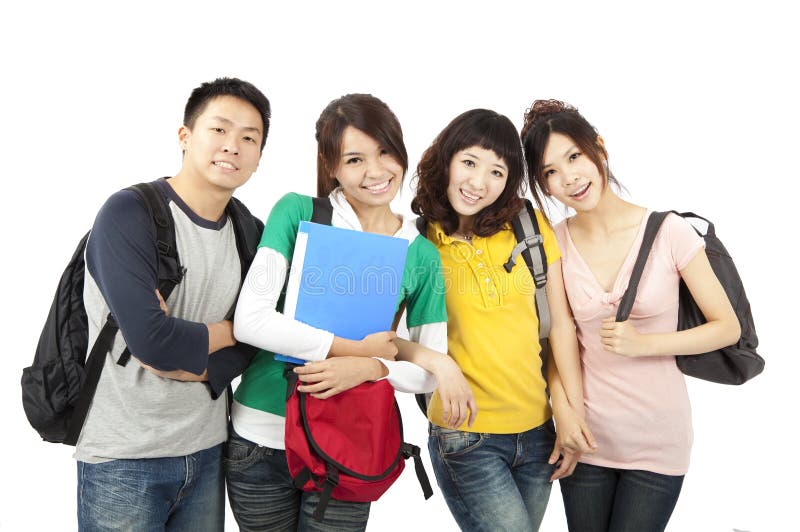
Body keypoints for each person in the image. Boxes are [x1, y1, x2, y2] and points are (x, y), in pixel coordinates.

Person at [227, 93, 474, 532]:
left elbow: (427, 372)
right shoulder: (300, 213)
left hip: (348, 442)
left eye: (384, 152)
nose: (376, 171)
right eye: (355, 159)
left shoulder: (421, 255)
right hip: (262, 439)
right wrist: (346, 350)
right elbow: (251, 320)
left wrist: (368, 368)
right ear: (332, 167)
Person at [521, 99, 741, 532]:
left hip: (658, 440)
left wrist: (646, 343)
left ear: (598, 149)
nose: (569, 178)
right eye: (550, 172)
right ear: (544, 186)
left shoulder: (669, 231)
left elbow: (727, 327)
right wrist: (562, 408)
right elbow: (555, 335)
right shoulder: (555, 243)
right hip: (585, 439)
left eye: (574, 157)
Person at [75, 77, 271, 531]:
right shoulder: (129, 214)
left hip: (207, 452)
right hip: (123, 458)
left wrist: (207, 359)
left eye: (249, 138)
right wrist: (229, 330)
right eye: (219, 130)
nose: (233, 146)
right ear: (185, 136)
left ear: (259, 157)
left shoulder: (251, 232)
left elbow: (263, 334)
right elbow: (155, 343)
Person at [410, 109, 595, 532]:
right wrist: (439, 363)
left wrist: (571, 412)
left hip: (538, 434)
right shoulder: (418, 242)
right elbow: (384, 338)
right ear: (446, 159)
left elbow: (559, 326)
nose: (479, 183)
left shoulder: (527, 226)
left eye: (497, 171)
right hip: (465, 436)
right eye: (470, 163)